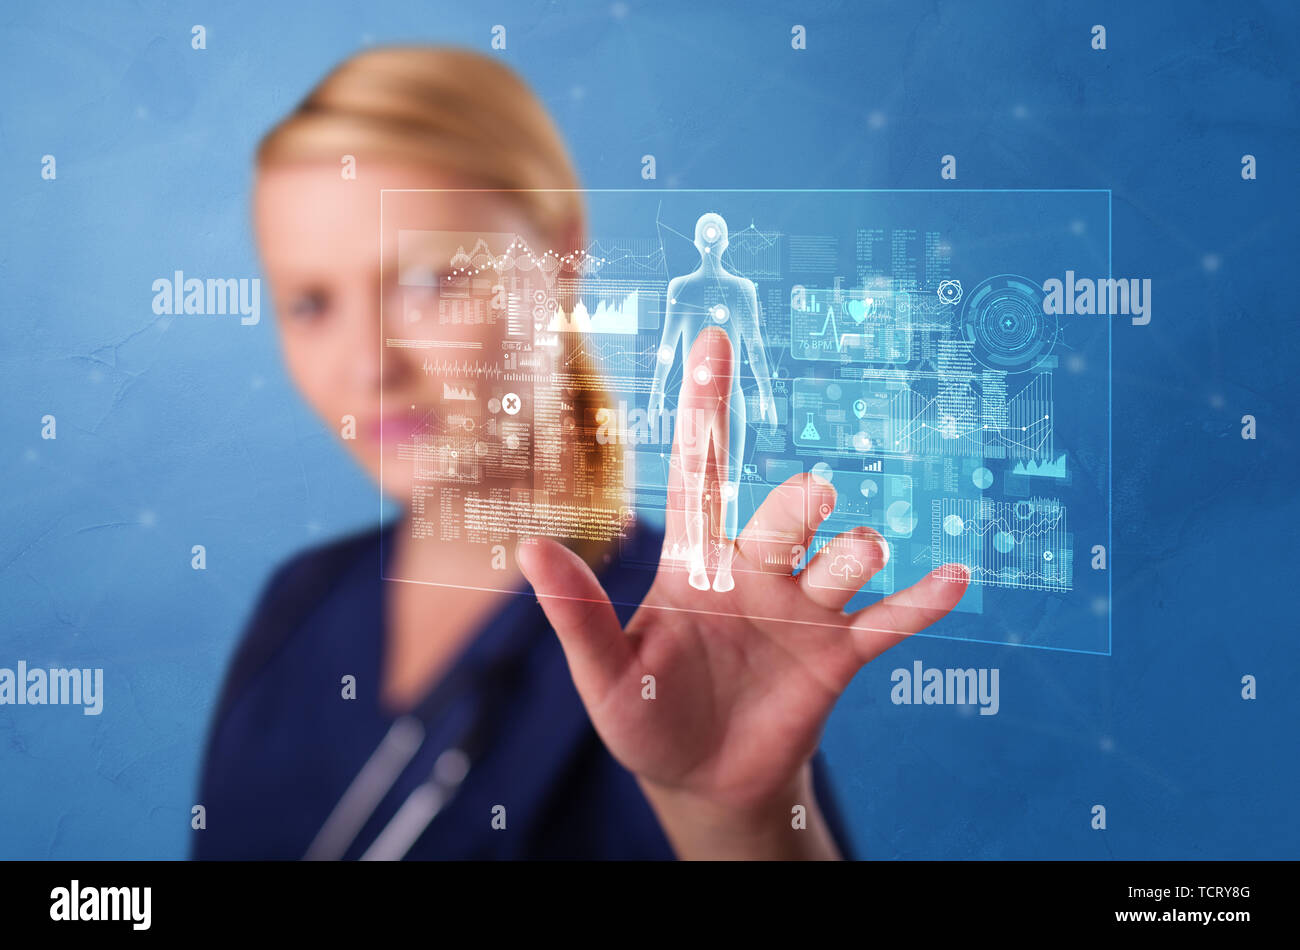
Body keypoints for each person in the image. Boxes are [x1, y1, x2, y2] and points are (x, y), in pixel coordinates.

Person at [193, 45, 970, 861]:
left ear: (562, 252)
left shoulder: (692, 638)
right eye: (309, 303)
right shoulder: (302, 601)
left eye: (427, 282)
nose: (366, 365)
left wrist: (735, 820)